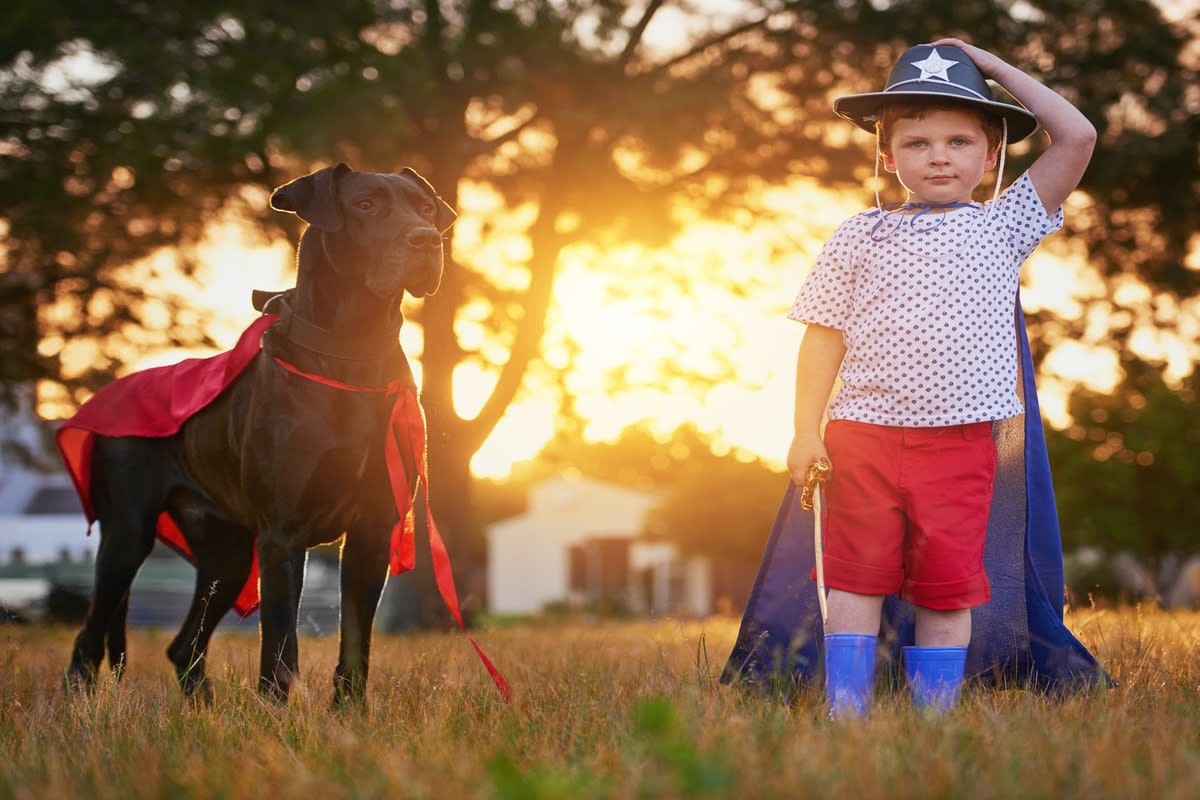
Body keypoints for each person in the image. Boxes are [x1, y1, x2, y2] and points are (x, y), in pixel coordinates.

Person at [785, 38, 1096, 717]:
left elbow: (1077, 137)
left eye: (960, 142)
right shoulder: (859, 235)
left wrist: (995, 69)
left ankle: (933, 722)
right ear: (887, 155)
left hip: (959, 444)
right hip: (862, 437)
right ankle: (846, 716)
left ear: (990, 155)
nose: (939, 157)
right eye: (917, 143)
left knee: (946, 589)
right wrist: (806, 430)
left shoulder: (1005, 226)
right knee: (856, 582)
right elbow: (822, 336)